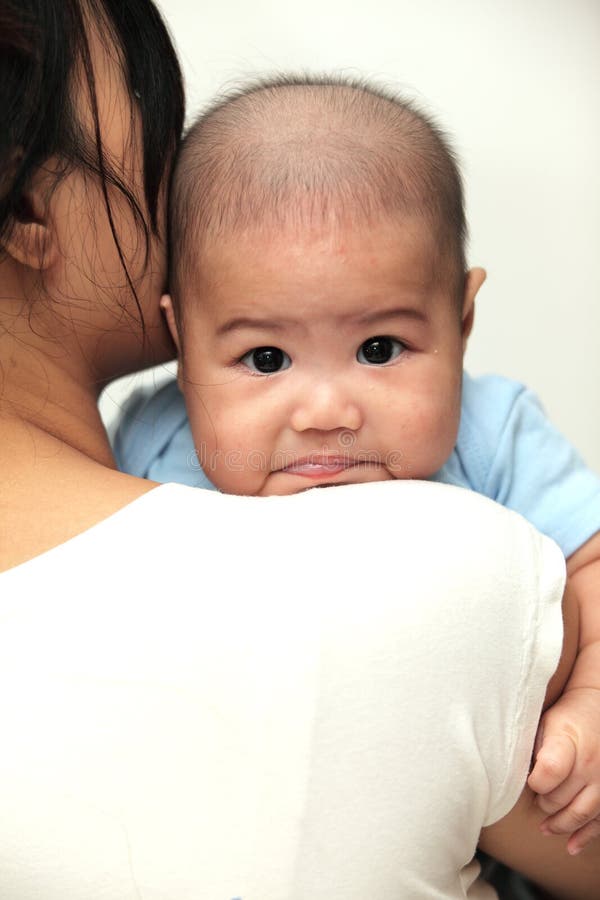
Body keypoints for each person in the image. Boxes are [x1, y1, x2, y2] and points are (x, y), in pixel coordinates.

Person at [1, 2, 599, 898]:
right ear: (23, 209)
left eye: (380, 349)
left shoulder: (492, 430)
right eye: (266, 359)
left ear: (464, 317)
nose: (325, 411)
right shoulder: (434, 578)